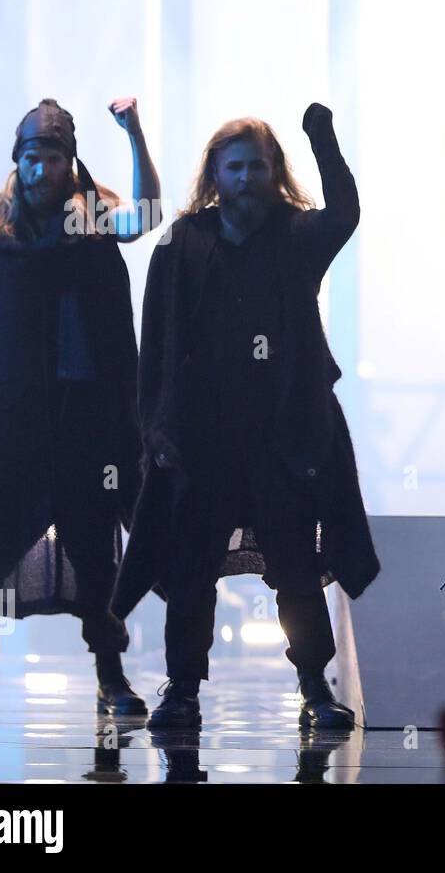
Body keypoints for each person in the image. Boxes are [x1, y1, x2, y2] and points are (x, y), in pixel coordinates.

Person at [113, 103, 379, 732]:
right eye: (234, 168)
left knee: (294, 570)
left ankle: (315, 686)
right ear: (215, 173)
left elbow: (345, 214)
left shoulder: (296, 234)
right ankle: (181, 689)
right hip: (203, 441)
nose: (245, 179)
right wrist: (156, 432)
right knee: (191, 569)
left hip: (283, 439)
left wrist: (323, 137)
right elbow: (156, 347)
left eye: (256, 167)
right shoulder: (183, 242)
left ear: (273, 171)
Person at [0, 98, 159, 721]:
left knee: (92, 543)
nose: (41, 170)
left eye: (53, 158)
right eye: (32, 158)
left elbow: (149, 216)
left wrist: (134, 134)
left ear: (68, 160)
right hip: (8, 410)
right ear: (18, 160)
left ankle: (110, 671)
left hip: (84, 410)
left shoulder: (90, 216)